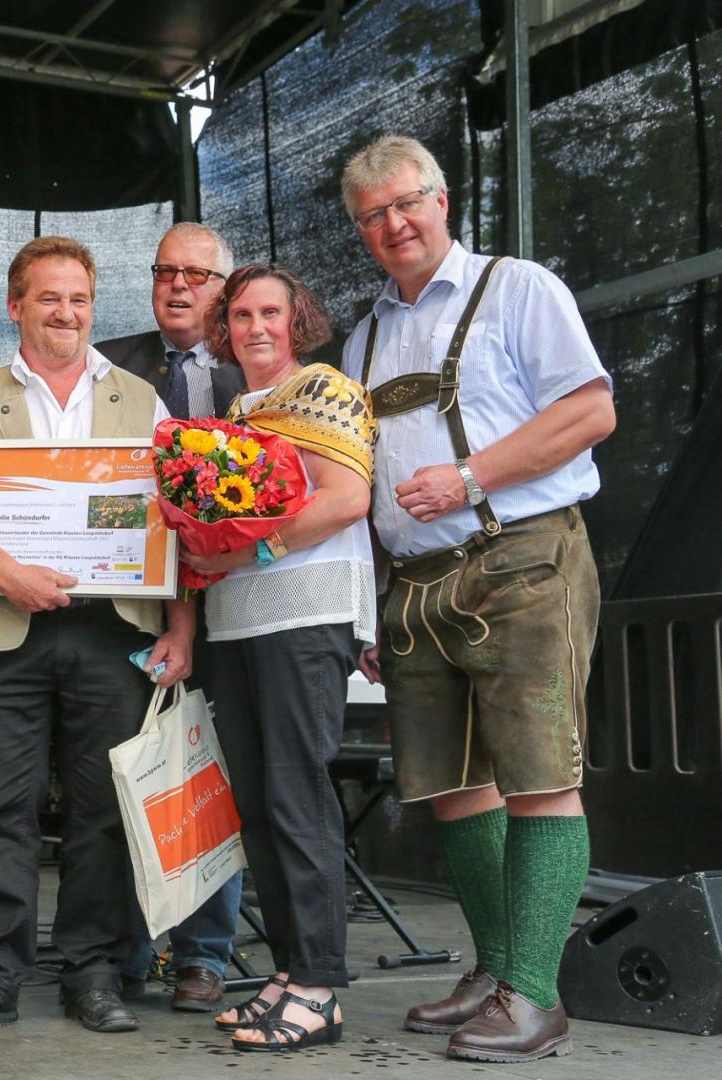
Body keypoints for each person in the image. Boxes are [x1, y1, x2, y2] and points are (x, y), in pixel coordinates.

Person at [340, 135, 615, 1063]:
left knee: (541, 777)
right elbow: (359, 486)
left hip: (522, 559)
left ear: (443, 199)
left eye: (406, 203)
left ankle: (537, 996)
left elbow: (589, 411)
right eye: (372, 215)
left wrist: (469, 475)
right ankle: (498, 970)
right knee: (455, 789)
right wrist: (369, 603)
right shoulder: (363, 338)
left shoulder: (520, 288)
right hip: (415, 585)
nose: (394, 224)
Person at [0, 237, 192, 1038]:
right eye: (48, 299)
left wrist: (180, 626)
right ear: (16, 307)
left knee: (103, 808)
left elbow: (182, 524)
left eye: (77, 299)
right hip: (8, 632)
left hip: (114, 632)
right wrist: (10, 576)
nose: (65, 313)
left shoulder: (146, 400)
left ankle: (95, 973)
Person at [180, 264, 376, 1052]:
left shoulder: (326, 389)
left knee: (297, 797)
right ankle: (290, 973)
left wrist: (247, 552)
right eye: (241, 316)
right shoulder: (237, 410)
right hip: (238, 626)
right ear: (223, 328)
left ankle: (322, 983)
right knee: (258, 802)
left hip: (305, 615)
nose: (256, 328)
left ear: (298, 322)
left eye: (271, 313)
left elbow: (346, 500)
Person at [96, 220, 247, 1012]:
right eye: (165, 271)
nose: (177, 286)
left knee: (206, 779)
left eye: (196, 274)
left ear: (226, 288)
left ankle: (205, 956)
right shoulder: (108, 364)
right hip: (130, 610)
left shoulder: (256, 371)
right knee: (132, 778)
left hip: (240, 609)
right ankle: (125, 949)